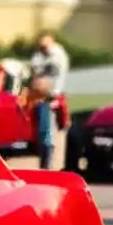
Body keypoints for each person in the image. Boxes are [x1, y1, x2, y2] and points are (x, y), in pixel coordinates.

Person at [28, 32, 70, 170]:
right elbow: (34, 70)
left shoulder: (57, 56)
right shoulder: (39, 55)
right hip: (40, 98)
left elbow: (44, 73)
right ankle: (45, 163)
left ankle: (47, 166)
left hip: (51, 98)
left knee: (47, 133)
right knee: (42, 133)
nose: (42, 49)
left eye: (44, 46)